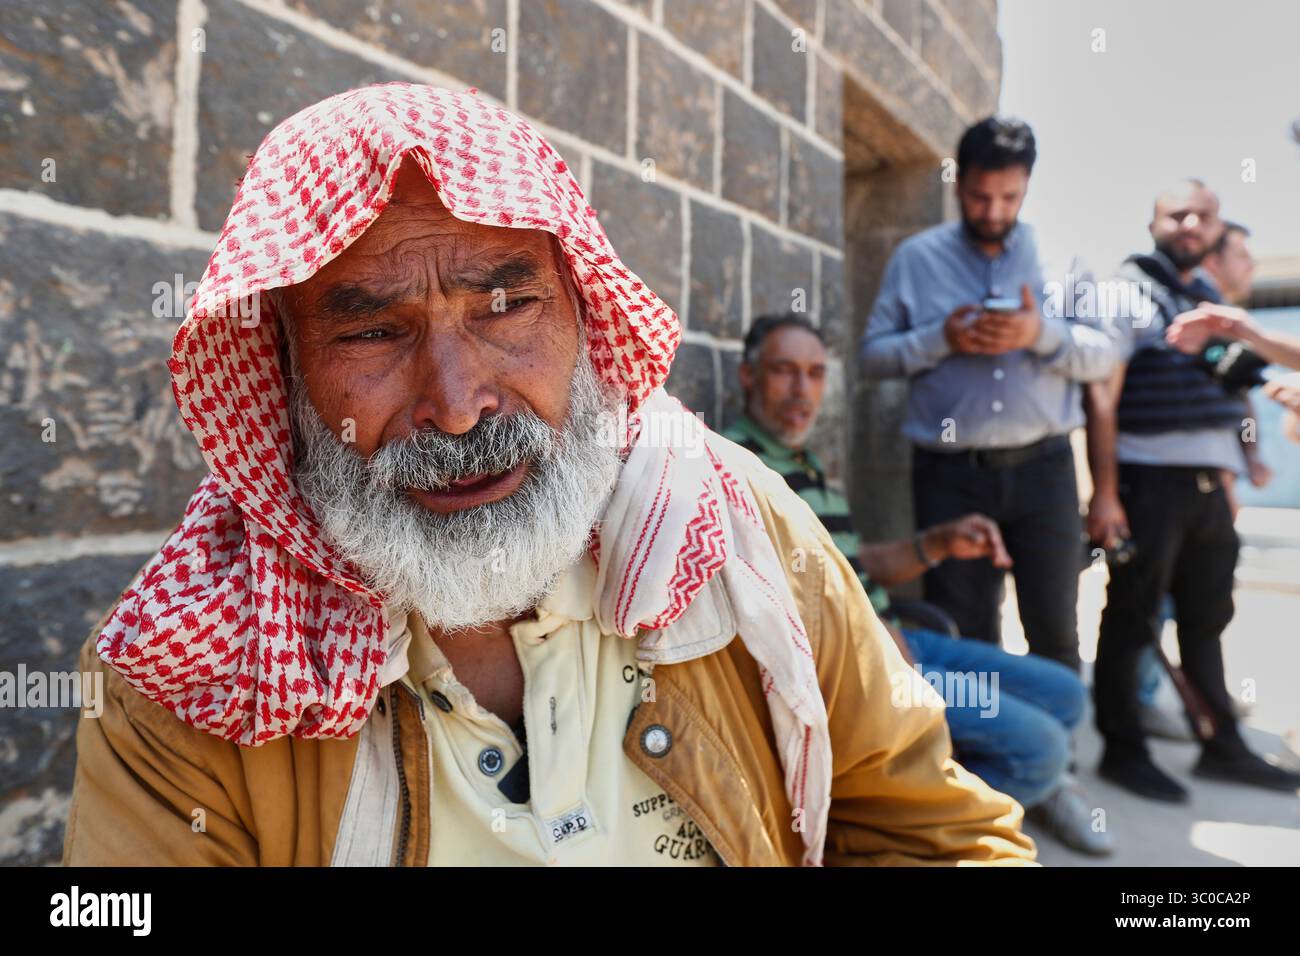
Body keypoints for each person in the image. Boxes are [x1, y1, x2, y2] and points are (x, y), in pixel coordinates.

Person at [61, 84, 1036, 867]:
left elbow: (933, 826)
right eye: (369, 330)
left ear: (583, 315)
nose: (456, 403)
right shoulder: (178, 685)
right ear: (282, 373)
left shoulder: (740, 523)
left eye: (505, 305)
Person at [725, 313, 1110, 855]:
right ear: (748, 376)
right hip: (863, 663)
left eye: (814, 374)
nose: (802, 390)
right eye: (784, 372)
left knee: (1068, 694)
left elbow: (856, 565)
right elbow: (761, 598)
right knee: (1044, 749)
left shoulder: (806, 464)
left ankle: (957, 786)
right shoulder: (738, 468)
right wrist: (870, 634)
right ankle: (902, 827)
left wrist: (937, 543)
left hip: (907, 637)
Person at [859, 116, 1118, 672]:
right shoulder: (916, 259)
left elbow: (1104, 356)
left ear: (1027, 186)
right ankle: (974, 758)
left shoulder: (1063, 259)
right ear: (958, 185)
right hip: (949, 474)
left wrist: (1039, 335)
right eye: (980, 197)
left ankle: (1055, 758)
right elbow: (873, 357)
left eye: (1009, 197)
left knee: (1055, 627)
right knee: (964, 631)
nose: (995, 211)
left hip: (1045, 471)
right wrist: (940, 340)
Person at [1084, 178, 1300, 801]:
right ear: (1152, 221)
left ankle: (1220, 744)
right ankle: (1123, 751)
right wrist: (1105, 492)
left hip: (1210, 491)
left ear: (1215, 226)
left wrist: (1245, 460)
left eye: (1201, 216)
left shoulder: (1207, 297)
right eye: (1176, 214)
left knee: (1205, 622)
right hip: (1148, 481)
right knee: (1131, 616)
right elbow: (1102, 394)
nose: (1189, 224)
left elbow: (1234, 386)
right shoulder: (1127, 293)